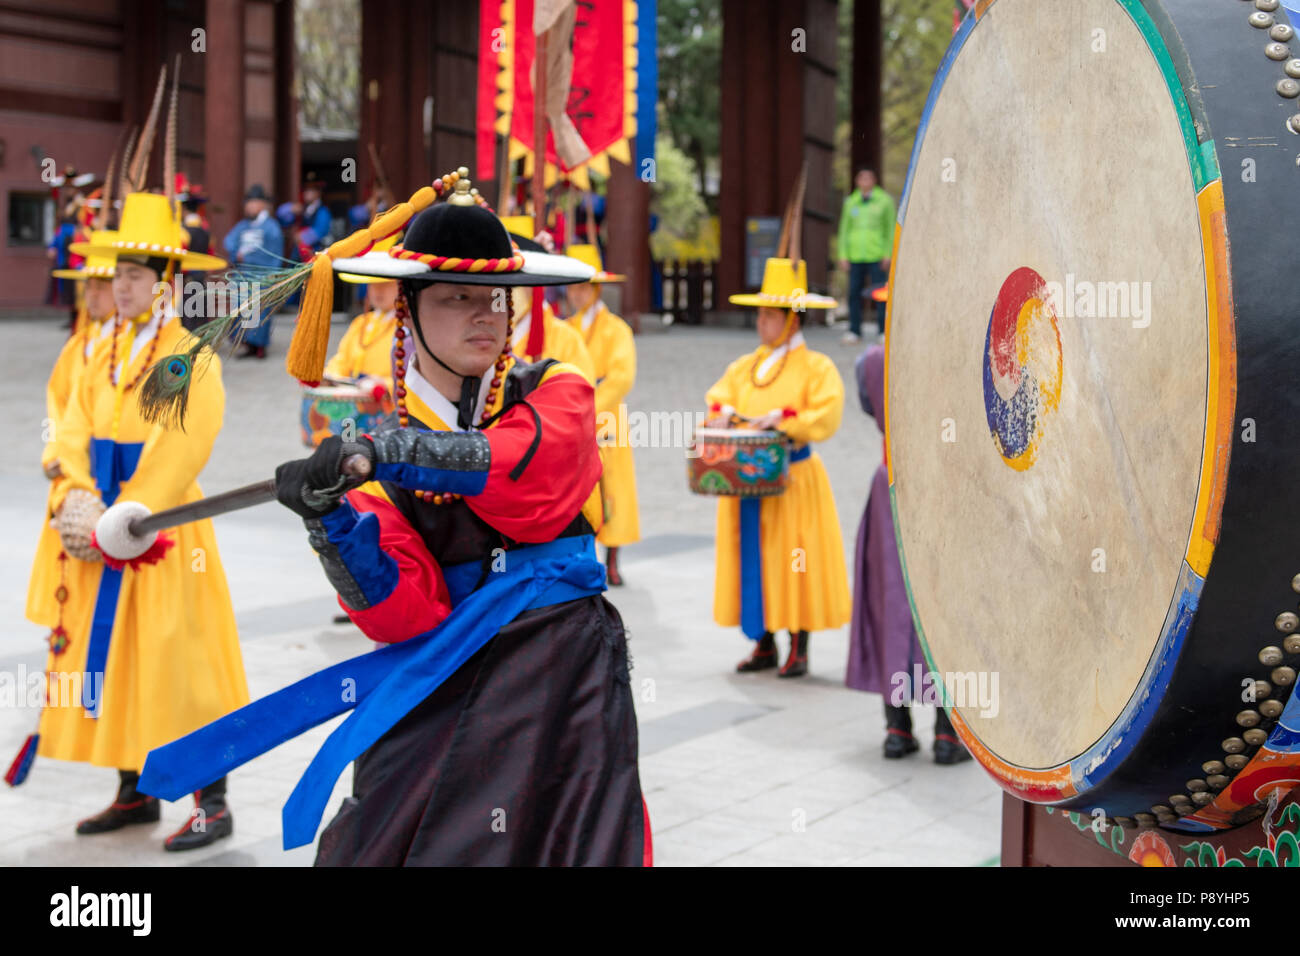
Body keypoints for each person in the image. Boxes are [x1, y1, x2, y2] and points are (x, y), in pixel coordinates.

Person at [139, 169, 648, 866]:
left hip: (558, 663)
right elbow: (407, 612)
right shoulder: (380, 456)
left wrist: (390, 453)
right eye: (458, 298)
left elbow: (529, 479)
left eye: (497, 301)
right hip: (442, 664)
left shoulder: (554, 389)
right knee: (377, 835)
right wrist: (329, 521)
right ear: (406, 312)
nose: (486, 317)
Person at [32, 189, 249, 851]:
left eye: (134, 276)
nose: (121, 287)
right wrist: (71, 494)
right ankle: (134, 790)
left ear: (166, 285)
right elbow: (63, 423)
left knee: (178, 660)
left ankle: (212, 801)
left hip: (164, 525)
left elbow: (184, 442)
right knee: (118, 658)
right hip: (97, 517)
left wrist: (133, 512)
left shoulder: (192, 354)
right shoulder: (98, 349)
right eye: (117, 275)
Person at [705, 257, 851, 677]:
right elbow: (719, 394)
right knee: (756, 556)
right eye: (761, 315)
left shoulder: (817, 367)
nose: (761, 324)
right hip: (746, 477)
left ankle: (798, 644)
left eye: (769, 316)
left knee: (794, 557)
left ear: (791, 320)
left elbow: (826, 415)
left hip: (792, 478)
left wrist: (785, 421)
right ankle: (764, 641)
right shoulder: (749, 364)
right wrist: (723, 412)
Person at [845, 346, 971, 764]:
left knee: (890, 603)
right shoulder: (956, 346)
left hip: (891, 483)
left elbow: (871, 406)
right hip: (945, 482)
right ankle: (946, 733)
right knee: (946, 605)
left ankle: (896, 728)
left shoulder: (872, 362)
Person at [563, 244, 640, 587]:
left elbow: (621, 376)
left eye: (583, 287)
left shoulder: (616, 329)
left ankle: (614, 559)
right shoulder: (565, 329)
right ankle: (583, 553)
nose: (577, 294)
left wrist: (591, 406)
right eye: (573, 287)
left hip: (606, 415)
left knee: (613, 486)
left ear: (596, 288)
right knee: (579, 487)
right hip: (572, 416)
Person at [325, 234, 402, 397]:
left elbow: (411, 377)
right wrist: (331, 376)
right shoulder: (361, 322)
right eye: (373, 285)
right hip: (356, 394)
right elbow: (341, 359)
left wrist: (385, 385)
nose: (378, 291)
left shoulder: (406, 327)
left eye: (386, 284)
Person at [222, 183, 284, 358]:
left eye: (254, 202)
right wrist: (237, 254)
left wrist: (269, 275)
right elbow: (230, 241)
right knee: (240, 310)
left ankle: (259, 346)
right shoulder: (242, 225)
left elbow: (274, 254)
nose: (250, 206)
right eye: (248, 203)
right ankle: (246, 344)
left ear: (263, 204)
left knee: (260, 310)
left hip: (261, 275)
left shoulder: (271, 227)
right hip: (242, 276)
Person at [836, 168, 895, 344]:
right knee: (854, 294)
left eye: (868, 177)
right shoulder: (851, 202)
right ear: (856, 180)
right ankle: (854, 331)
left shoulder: (884, 201)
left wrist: (887, 254)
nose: (865, 181)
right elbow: (844, 230)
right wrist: (842, 255)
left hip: (876, 254)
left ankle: (883, 331)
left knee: (880, 294)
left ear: (874, 180)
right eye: (861, 177)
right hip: (855, 256)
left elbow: (890, 228)